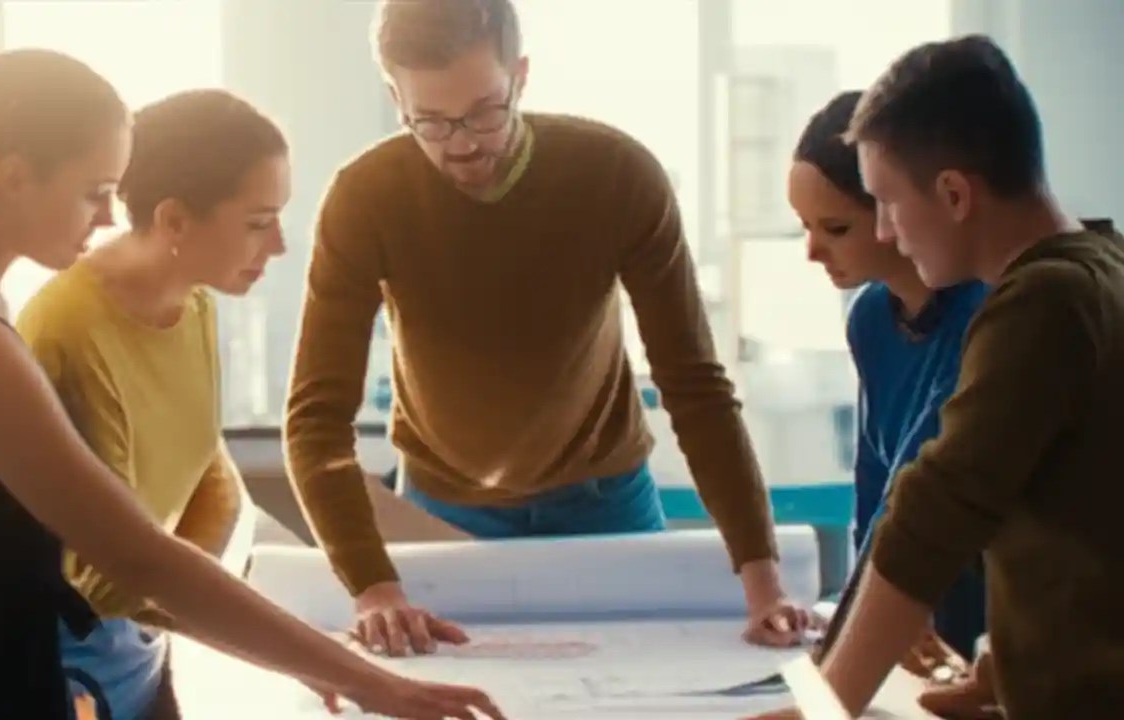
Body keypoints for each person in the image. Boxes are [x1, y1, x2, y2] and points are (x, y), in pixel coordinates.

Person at [0, 49, 505, 720]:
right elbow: (139, 558)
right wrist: (373, 683)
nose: (107, 217)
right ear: (13, 178)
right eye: (93, 192)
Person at [284, 0, 807, 659]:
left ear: (521, 75)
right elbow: (315, 421)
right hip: (437, 509)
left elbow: (695, 386)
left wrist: (763, 583)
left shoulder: (617, 176)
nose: (465, 143)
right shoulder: (365, 199)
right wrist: (371, 586)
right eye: (432, 122)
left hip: (606, 500)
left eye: (484, 111)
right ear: (395, 97)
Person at [751, 34, 1124, 720]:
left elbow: (933, 516)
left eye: (887, 203)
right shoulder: (1103, 268)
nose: (887, 233)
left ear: (954, 193)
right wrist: (1007, 664)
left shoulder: (1043, 302)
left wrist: (824, 708)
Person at [15, 89, 288, 719]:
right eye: (256, 222)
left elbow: (210, 484)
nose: (277, 244)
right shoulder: (68, 327)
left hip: (146, 633)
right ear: (173, 221)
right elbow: (103, 571)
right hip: (65, 657)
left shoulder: (196, 304)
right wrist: (266, 637)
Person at [789, 90, 988, 662]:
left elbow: (917, 494)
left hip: (990, 620)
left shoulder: (986, 312)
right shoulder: (871, 317)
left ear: (888, 206)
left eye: (835, 228)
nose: (813, 251)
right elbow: (875, 480)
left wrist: (849, 637)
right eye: (804, 226)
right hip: (909, 627)